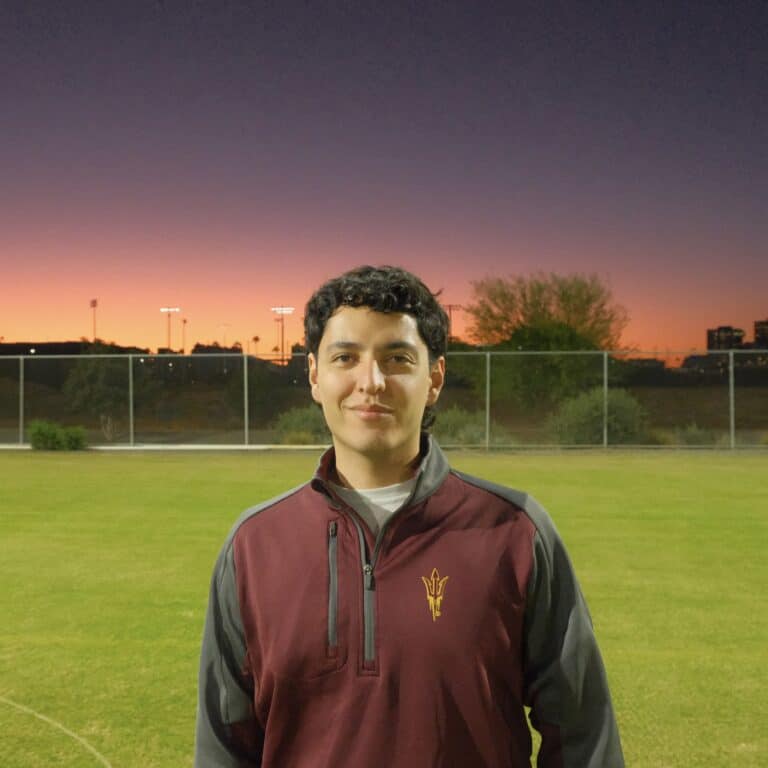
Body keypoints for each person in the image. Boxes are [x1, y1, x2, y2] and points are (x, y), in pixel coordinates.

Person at [194, 265, 625, 767]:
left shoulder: (516, 532)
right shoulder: (254, 546)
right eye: (345, 358)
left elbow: (583, 738)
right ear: (315, 375)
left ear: (434, 377)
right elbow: (224, 748)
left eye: (397, 358)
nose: (371, 382)